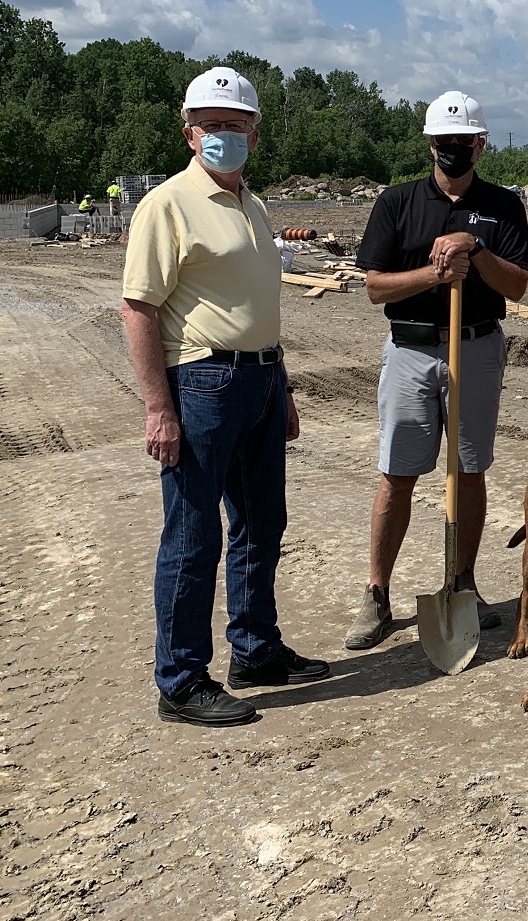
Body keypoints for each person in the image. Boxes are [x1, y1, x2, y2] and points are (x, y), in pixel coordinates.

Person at [120, 66, 326, 728]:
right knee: (193, 535)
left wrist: (281, 384)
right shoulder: (167, 206)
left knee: (262, 524)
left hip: (260, 380)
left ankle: (255, 650)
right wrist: (158, 406)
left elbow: (257, 303)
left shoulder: (252, 205)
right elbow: (138, 308)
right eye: (212, 126)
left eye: (235, 126)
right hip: (203, 384)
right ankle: (180, 680)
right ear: (189, 134)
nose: (224, 136)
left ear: (255, 137)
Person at [344, 91, 528, 651]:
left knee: (468, 470)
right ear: (430, 143)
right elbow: (375, 287)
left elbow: (518, 286)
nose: (454, 150)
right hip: (411, 351)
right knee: (398, 473)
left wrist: (474, 250)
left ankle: (463, 582)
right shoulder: (397, 203)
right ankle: (376, 593)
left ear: (480, 144)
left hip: (475, 348)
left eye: (464, 142)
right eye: (444, 142)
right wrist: (432, 274)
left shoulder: (503, 206)